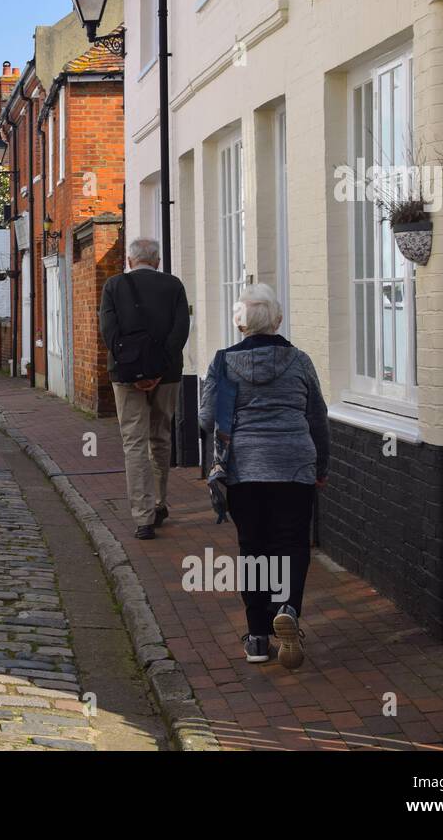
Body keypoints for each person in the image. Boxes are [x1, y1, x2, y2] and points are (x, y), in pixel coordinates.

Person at [198, 283, 329, 669]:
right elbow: (317, 417)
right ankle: (287, 607)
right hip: (294, 463)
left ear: (240, 325)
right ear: (277, 319)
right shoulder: (300, 361)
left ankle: (257, 639)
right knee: (292, 541)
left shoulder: (223, 363)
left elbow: (206, 419)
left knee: (253, 547)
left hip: (245, 467)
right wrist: (321, 466)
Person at [99, 239, 191, 541]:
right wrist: (158, 370)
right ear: (158, 261)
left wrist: (134, 370)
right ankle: (159, 502)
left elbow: (108, 332)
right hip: (167, 376)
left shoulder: (113, 286)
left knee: (134, 443)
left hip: (125, 376)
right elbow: (180, 331)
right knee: (161, 437)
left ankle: (143, 518)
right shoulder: (173, 286)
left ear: (128, 260)